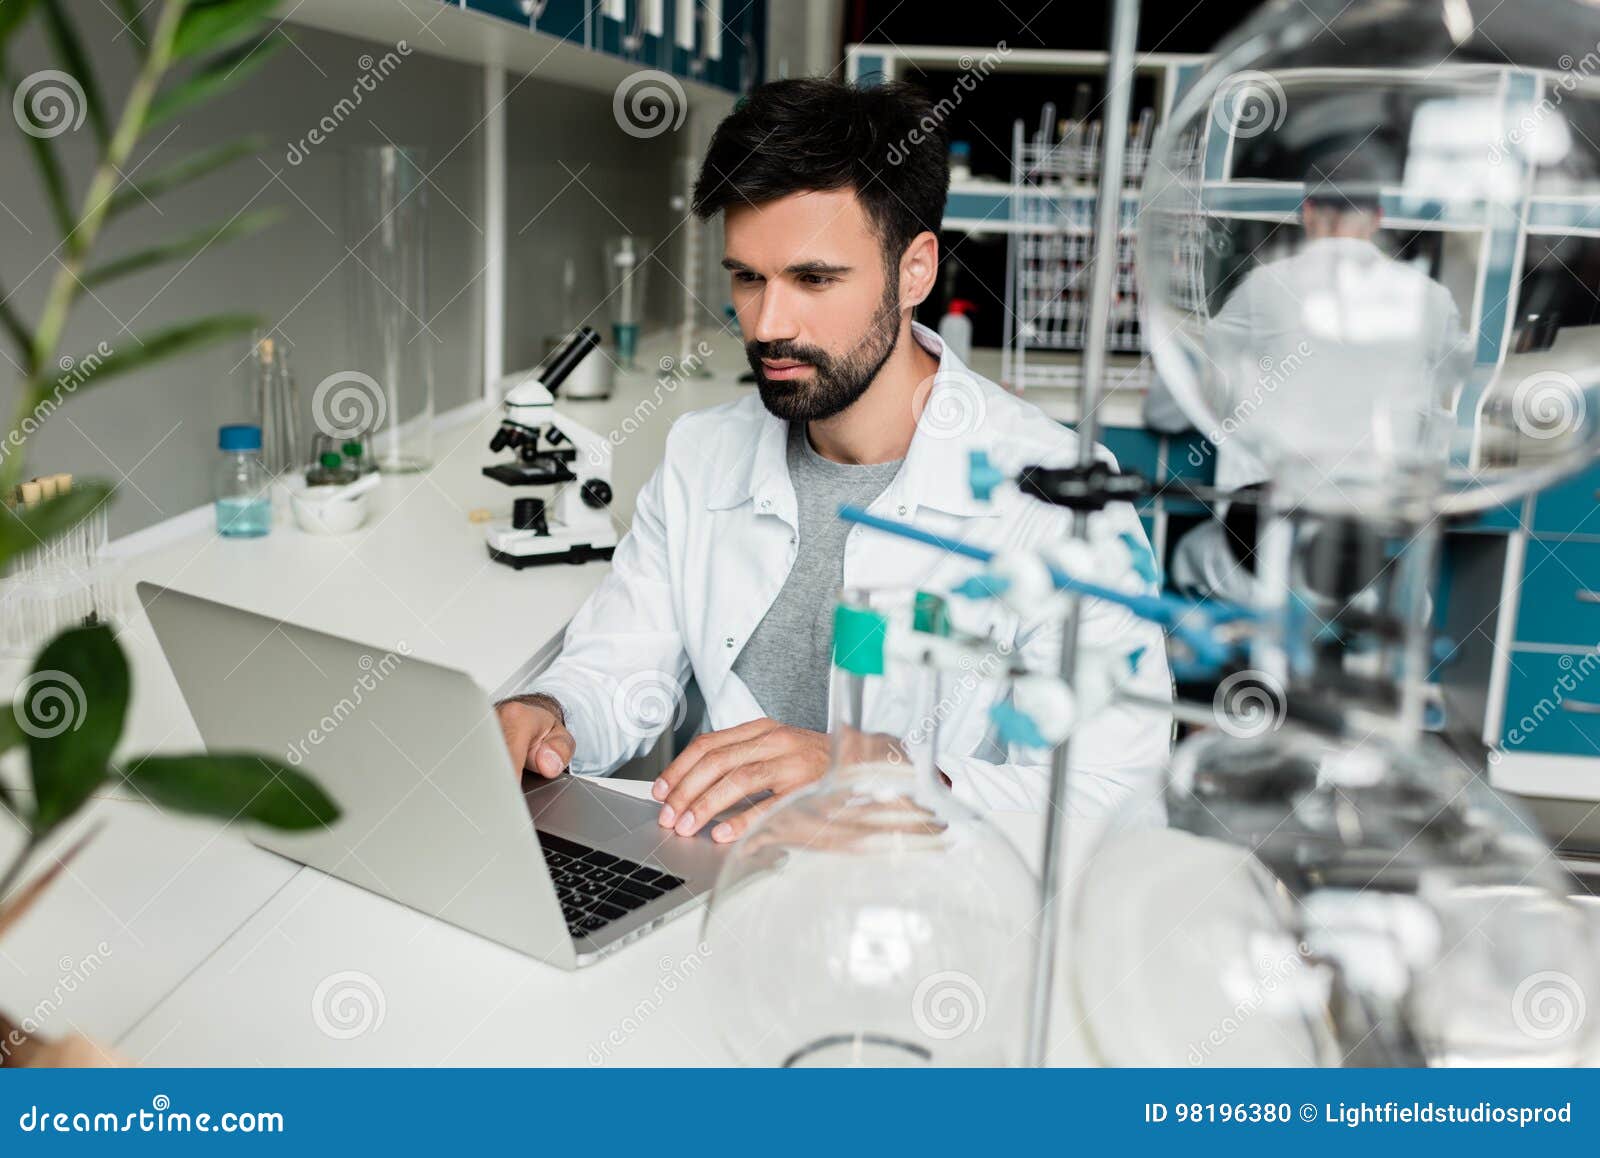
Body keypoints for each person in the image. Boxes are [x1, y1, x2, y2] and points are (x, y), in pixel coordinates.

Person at [496, 78, 1172, 840]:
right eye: (748, 278)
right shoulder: (701, 453)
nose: (768, 324)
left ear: (914, 271)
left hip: (921, 917)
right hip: (715, 882)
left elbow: (1116, 793)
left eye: (814, 279)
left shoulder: (1060, 500)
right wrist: (549, 715)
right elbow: (620, 664)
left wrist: (887, 775)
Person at [1156, 155, 1472, 602]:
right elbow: (1458, 393)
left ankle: (1220, 664)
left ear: (1307, 214)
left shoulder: (1264, 287)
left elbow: (1172, 404)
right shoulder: (1431, 301)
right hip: (1362, 565)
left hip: (1260, 558)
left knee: (1186, 556)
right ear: (1378, 219)